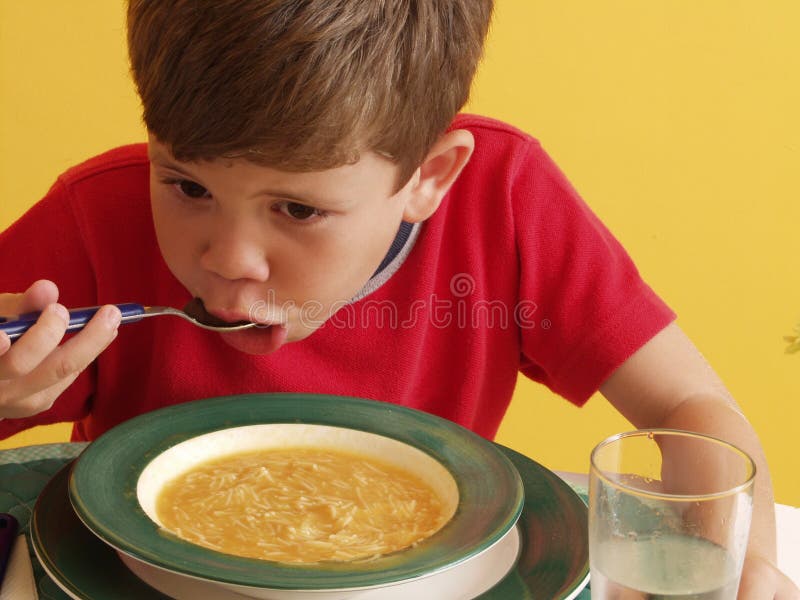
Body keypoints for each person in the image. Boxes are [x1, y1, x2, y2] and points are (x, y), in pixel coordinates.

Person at [0, 1, 796, 596]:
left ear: (429, 179)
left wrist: (745, 560)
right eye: (186, 184)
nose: (228, 258)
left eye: (299, 210)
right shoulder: (93, 217)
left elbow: (690, 404)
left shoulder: (505, 204)